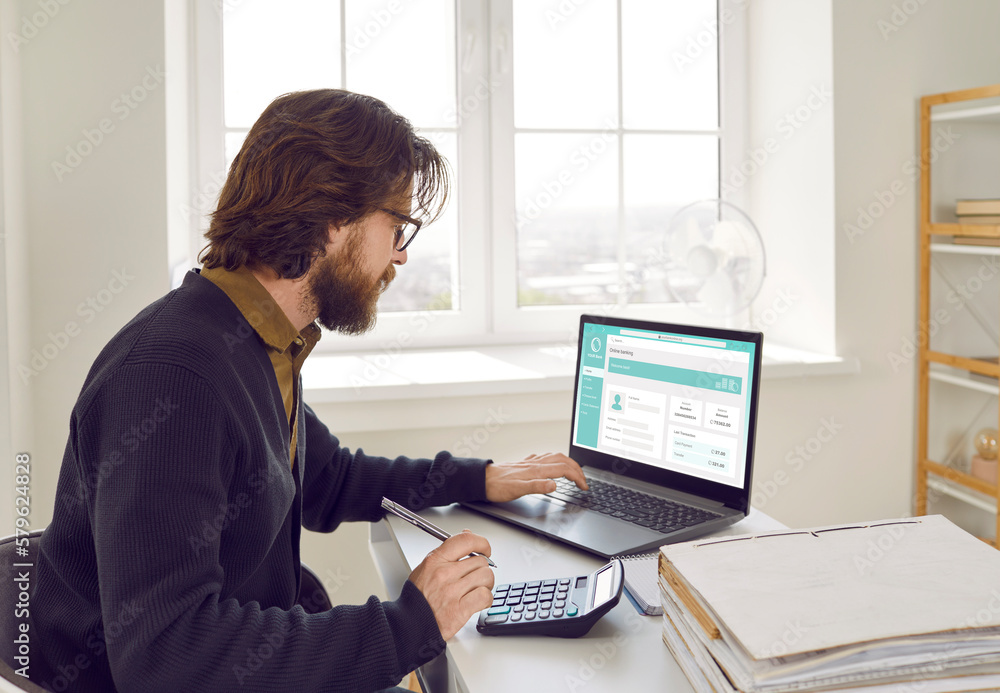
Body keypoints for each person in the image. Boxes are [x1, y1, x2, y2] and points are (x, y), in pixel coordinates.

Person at [29, 88, 586, 693]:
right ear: (331, 214)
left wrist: (476, 479)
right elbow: (166, 656)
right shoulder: (176, 377)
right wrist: (409, 624)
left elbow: (326, 480)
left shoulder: (256, 338)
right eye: (397, 226)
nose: (399, 258)